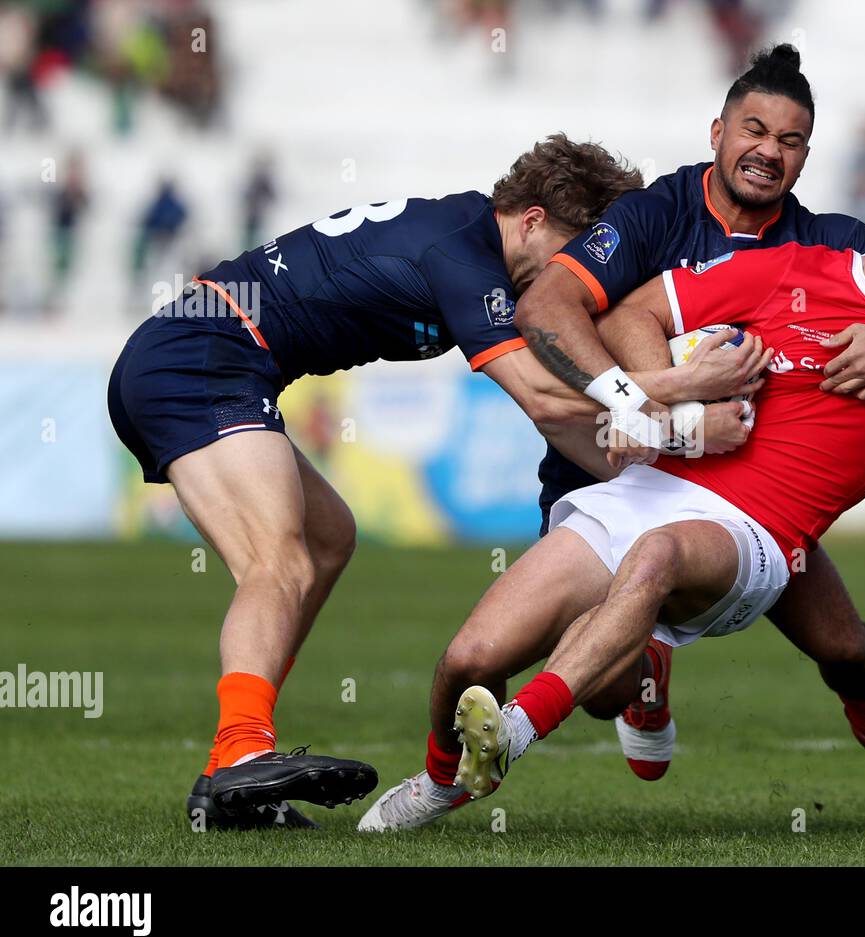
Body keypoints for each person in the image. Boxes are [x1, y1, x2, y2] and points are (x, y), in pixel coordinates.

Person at [107, 134, 752, 831]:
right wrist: (681, 387)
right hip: (199, 357)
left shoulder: (466, 246)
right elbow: (544, 398)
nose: (569, 277)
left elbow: (572, 423)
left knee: (327, 540)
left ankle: (233, 773)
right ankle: (239, 756)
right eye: (567, 252)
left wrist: (673, 473)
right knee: (278, 560)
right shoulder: (465, 253)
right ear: (531, 220)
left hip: (217, 357)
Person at [359, 152, 865, 832]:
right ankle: (443, 781)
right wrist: (674, 409)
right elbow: (625, 317)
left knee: (671, 564)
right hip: (644, 489)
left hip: (756, 537)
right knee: (469, 661)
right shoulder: (788, 268)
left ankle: (513, 734)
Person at [509, 43, 865, 784]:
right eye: (754, 130)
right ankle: (642, 681)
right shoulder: (654, 217)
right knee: (604, 689)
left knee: (848, 649)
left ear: (806, 156)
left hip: (754, 496)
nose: (768, 151)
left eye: (790, 140)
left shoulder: (823, 245)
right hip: (620, 463)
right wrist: (665, 404)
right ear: (717, 131)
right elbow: (551, 305)